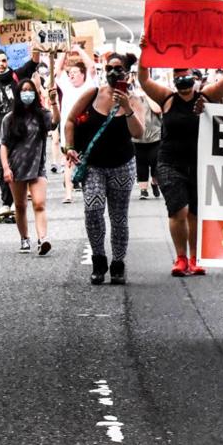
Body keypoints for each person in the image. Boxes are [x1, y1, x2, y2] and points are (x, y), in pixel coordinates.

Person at [137, 36, 223, 277]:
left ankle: (195, 257)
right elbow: (143, 78)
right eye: (178, 78)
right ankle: (181, 258)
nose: (183, 82)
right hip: (170, 162)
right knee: (178, 211)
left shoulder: (207, 96)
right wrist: (145, 52)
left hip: (200, 164)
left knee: (195, 213)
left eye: (187, 77)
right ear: (173, 80)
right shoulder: (167, 98)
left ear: (195, 78)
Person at [64, 54, 146, 284]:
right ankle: (99, 259)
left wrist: (127, 108)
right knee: (93, 210)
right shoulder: (92, 94)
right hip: (93, 166)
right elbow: (70, 121)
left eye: (118, 69)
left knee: (118, 218)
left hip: (122, 165)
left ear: (126, 73)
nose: (112, 73)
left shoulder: (134, 100)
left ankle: (118, 263)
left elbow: (139, 133)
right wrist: (70, 147)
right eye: (109, 68)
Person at [0, 47, 40, 223]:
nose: (1, 64)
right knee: (1, 167)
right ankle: (6, 201)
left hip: (18, 131)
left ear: (8, 62)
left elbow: (34, 62)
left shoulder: (17, 75)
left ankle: (17, 201)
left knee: (17, 166)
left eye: (3, 61)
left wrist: (36, 46)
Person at [0, 78, 57, 255]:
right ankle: (25, 238)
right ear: (18, 94)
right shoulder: (9, 119)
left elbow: (55, 122)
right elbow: (4, 145)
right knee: (20, 205)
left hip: (37, 167)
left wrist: (54, 102)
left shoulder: (42, 115)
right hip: (16, 167)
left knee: (39, 204)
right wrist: (6, 168)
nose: (27, 93)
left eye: (30, 90)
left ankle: (43, 239)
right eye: (23, 90)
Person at [55, 46, 97, 202]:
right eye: (70, 73)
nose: (71, 75)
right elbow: (58, 70)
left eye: (74, 73)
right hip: (69, 129)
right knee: (68, 160)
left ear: (82, 75)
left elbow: (91, 66)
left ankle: (89, 191)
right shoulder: (66, 86)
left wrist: (78, 50)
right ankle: (68, 194)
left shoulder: (89, 86)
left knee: (87, 162)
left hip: (87, 129)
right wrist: (64, 53)